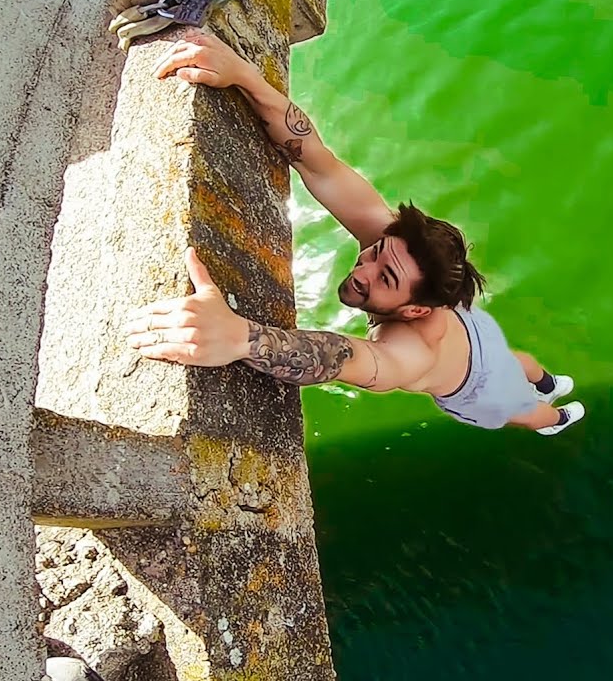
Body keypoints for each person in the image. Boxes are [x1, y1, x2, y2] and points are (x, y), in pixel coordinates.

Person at [122, 28, 584, 435]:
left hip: (470, 382)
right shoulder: (396, 256)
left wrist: (242, 338)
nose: (364, 267)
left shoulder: (409, 355)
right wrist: (245, 76)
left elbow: (342, 356)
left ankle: (557, 417)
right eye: (376, 253)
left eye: (385, 278)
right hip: (475, 333)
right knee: (514, 361)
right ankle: (548, 380)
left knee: (521, 410)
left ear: (417, 308)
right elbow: (315, 161)